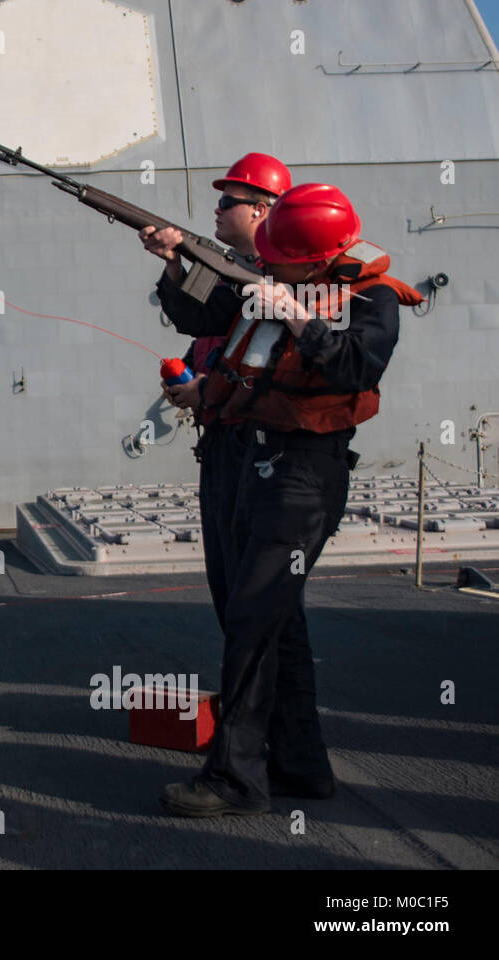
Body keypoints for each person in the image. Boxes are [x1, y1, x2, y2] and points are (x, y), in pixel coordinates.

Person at [147, 184, 423, 816]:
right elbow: (202, 316)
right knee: (273, 619)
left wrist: (296, 312)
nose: (267, 264)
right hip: (256, 457)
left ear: (318, 256)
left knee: (253, 620)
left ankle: (237, 780)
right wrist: (172, 262)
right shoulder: (274, 279)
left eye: (280, 258)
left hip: (304, 473)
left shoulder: (371, 298)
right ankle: (301, 765)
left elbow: (356, 367)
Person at [143, 153, 291, 632]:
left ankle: (264, 701)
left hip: (255, 443)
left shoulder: (282, 281)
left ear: (261, 209)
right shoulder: (237, 272)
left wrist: (211, 389)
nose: (218, 208)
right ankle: (249, 694)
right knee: (227, 583)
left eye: (229, 201)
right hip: (222, 442)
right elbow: (199, 325)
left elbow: (277, 361)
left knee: (254, 594)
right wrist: (172, 262)